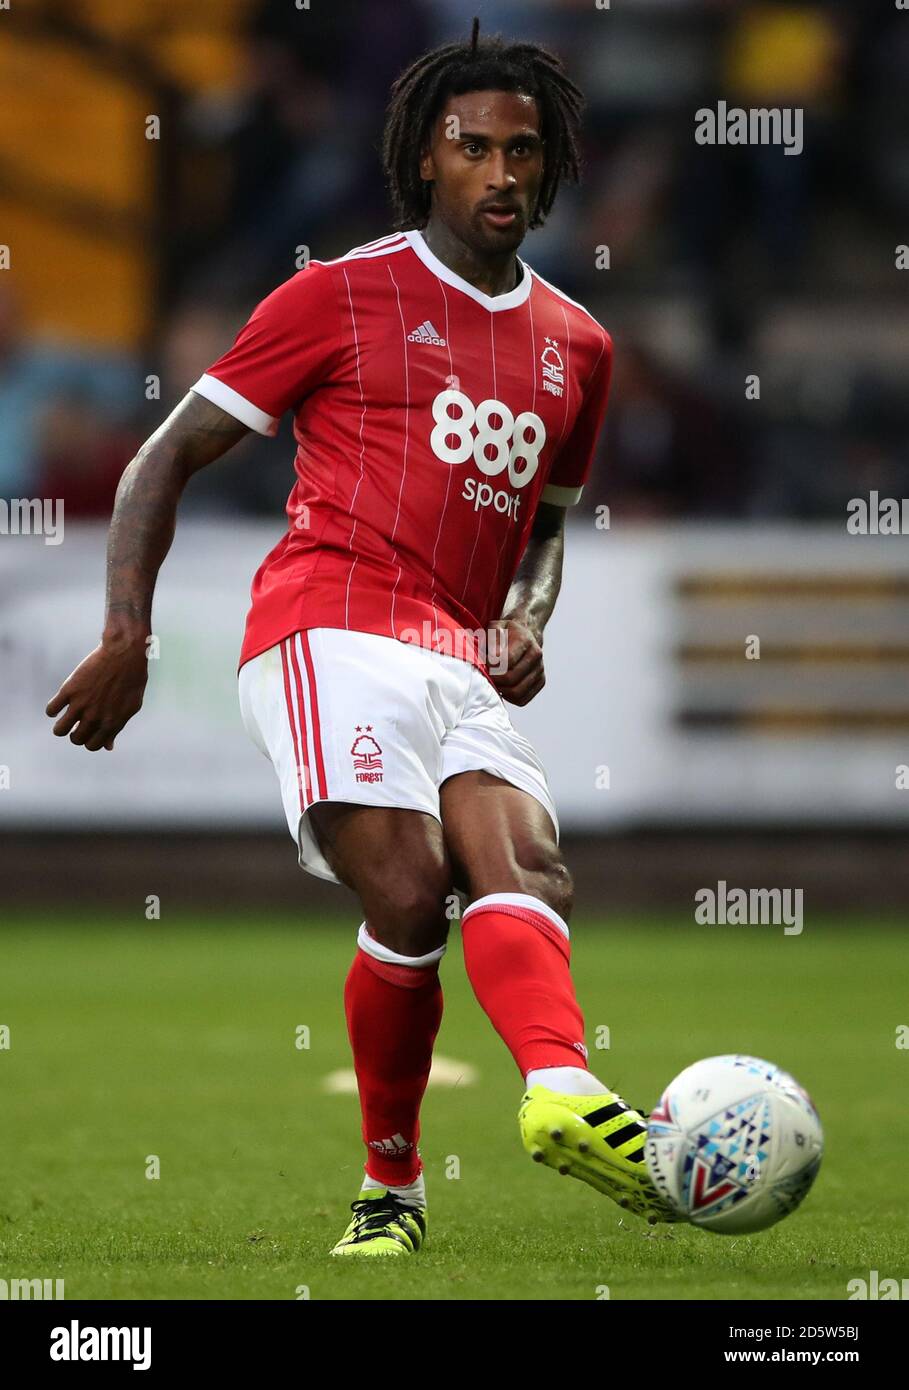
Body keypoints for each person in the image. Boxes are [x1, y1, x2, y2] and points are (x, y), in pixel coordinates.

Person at [46, 22, 677, 1257]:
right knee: (409, 884)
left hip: (457, 649)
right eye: (472, 147)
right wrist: (128, 631)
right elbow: (163, 456)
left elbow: (547, 530)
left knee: (528, 865)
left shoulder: (582, 347)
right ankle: (393, 1187)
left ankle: (560, 1087)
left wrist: (524, 617)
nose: (500, 172)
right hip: (326, 620)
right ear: (425, 160)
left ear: (552, 170)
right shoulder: (336, 293)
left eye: (524, 151)